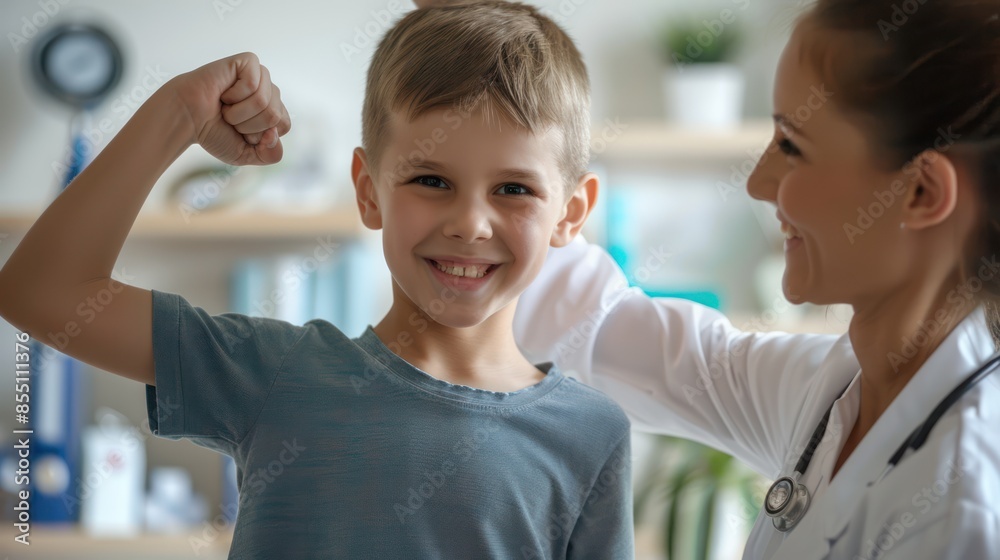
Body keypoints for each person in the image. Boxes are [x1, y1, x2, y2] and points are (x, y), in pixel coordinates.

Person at [0, 2, 633, 558]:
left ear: (570, 212)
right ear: (368, 191)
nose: (470, 224)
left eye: (514, 189)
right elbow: (39, 292)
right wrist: (180, 111)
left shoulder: (592, 435)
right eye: (431, 180)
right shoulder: (273, 374)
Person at [513, 0, 1000, 558]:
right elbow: (607, 333)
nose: (758, 183)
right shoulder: (840, 391)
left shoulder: (962, 515)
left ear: (922, 192)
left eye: (792, 146)